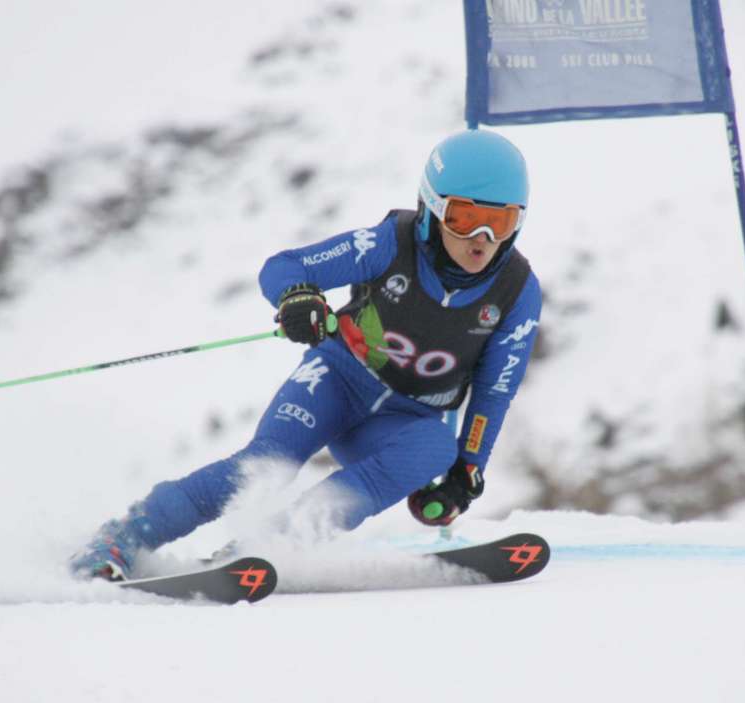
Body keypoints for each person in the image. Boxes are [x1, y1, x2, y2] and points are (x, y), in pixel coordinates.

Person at [70, 129, 543, 581]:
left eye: (500, 222)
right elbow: (283, 268)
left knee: (437, 449)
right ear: (432, 210)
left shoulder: (516, 291)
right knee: (264, 467)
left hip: (402, 420)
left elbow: (495, 389)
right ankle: (122, 540)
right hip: (336, 382)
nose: (481, 237)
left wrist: (468, 467)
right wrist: (298, 297)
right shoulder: (389, 244)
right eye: (463, 217)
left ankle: (270, 545)